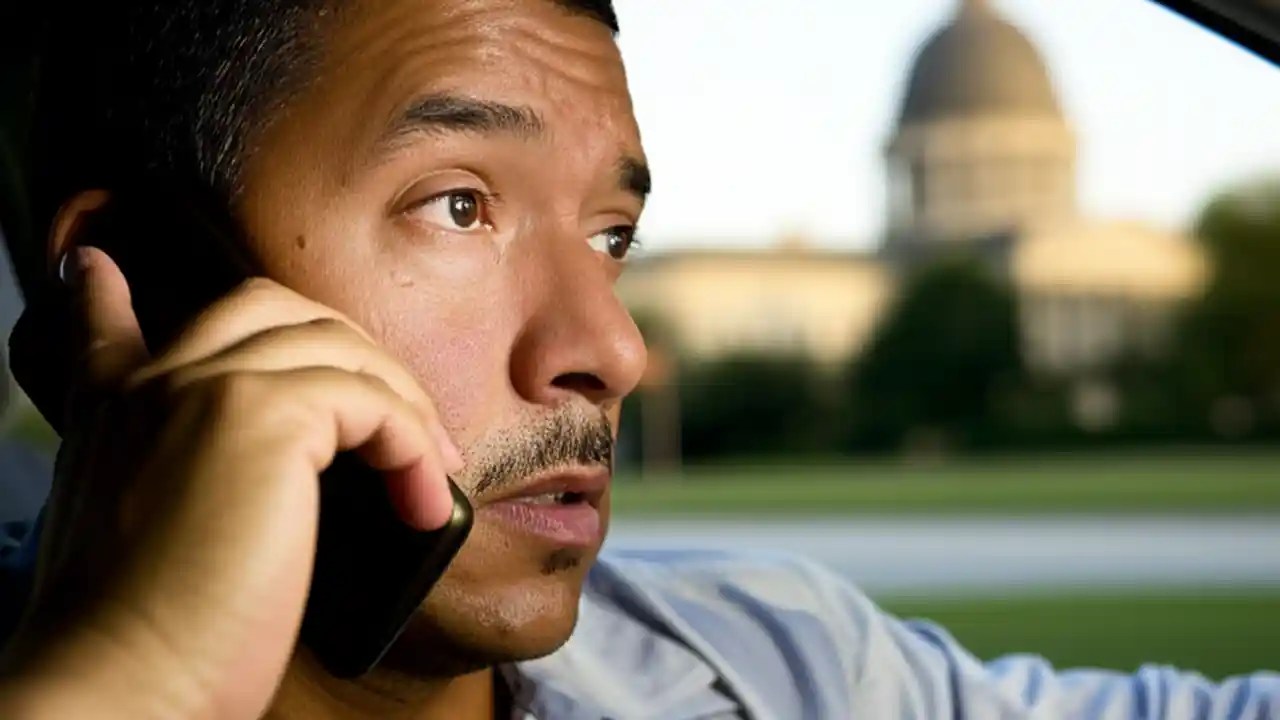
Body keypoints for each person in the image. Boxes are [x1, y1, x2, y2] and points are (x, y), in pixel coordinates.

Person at [0, 1, 1276, 718]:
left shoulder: (784, 666)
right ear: (121, 288)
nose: (609, 347)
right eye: (460, 206)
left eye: (613, 235)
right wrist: (135, 683)